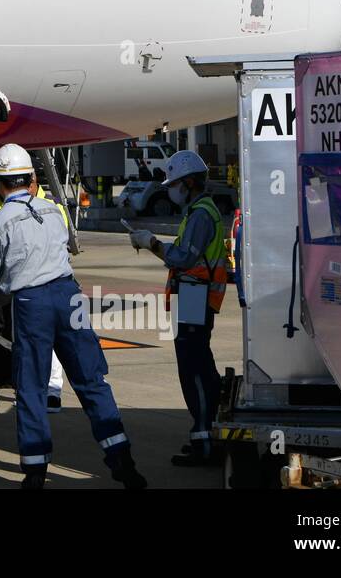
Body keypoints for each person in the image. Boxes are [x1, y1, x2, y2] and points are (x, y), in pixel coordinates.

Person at [0, 143, 146, 490]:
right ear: (31, 178)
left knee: (31, 387)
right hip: (68, 295)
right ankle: (122, 461)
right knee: (92, 380)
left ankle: (35, 471)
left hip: (32, 302)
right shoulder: (54, 211)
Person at [127, 150, 227, 467]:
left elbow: (183, 258)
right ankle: (206, 436)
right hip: (194, 296)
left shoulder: (200, 214)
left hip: (196, 296)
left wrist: (152, 244)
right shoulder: (199, 210)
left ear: (189, 182)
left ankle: (205, 443)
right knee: (199, 364)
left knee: (193, 367)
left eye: (175, 184)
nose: (171, 189)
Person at [0, 163, 67, 413]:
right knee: (16, 338)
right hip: (12, 285)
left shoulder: (51, 207)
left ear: (33, 181)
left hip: (41, 284)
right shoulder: (1, 207)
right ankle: (26, 387)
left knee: (48, 342)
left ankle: (52, 390)